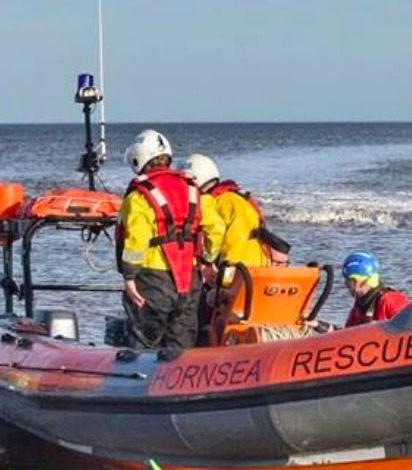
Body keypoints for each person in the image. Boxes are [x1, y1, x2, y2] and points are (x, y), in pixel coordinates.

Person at [117, 130, 226, 350]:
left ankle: (142, 381)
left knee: (144, 343)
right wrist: (206, 260)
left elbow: (136, 240)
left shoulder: (139, 196)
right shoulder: (194, 190)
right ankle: (179, 380)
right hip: (191, 280)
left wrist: (129, 276)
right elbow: (217, 228)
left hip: (152, 280)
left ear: (139, 160)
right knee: (181, 344)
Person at [184, 153, 292, 272]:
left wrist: (212, 263)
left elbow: (224, 235)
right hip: (260, 263)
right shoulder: (235, 196)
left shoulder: (215, 201)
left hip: (238, 268)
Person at [341, 251, 411, 327]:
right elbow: (348, 332)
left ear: (356, 281)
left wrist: (377, 327)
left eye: (348, 281)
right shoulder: (360, 305)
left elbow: (411, 328)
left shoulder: (391, 300)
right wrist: (330, 329)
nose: (346, 285)